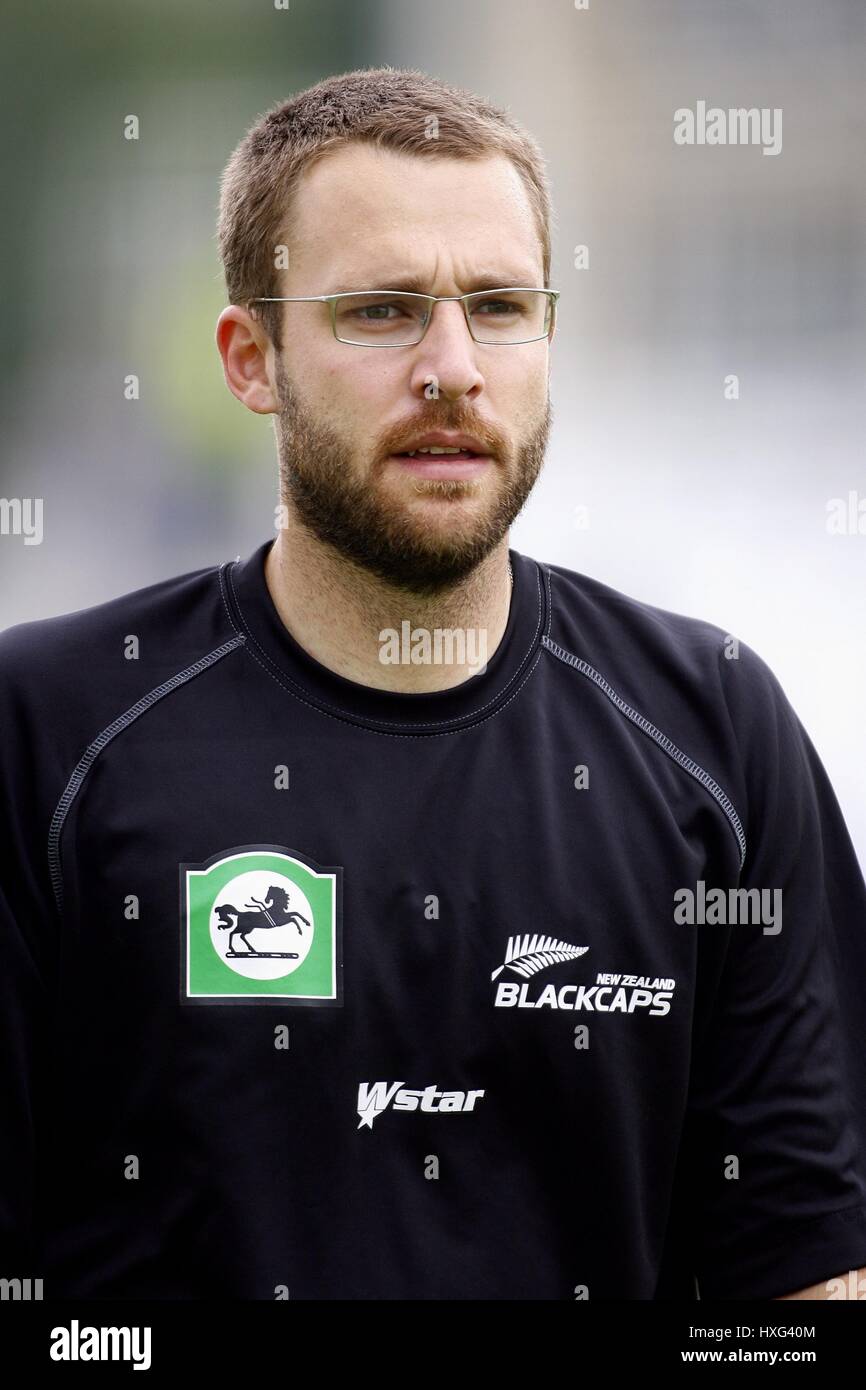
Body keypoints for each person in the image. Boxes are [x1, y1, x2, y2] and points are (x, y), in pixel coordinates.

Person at [1, 66, 865, 1302]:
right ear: (253, 357)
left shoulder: (715, 733)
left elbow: (803, 1271)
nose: (453, 367)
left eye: (499, 306)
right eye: (382, 311)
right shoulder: (47, 732)